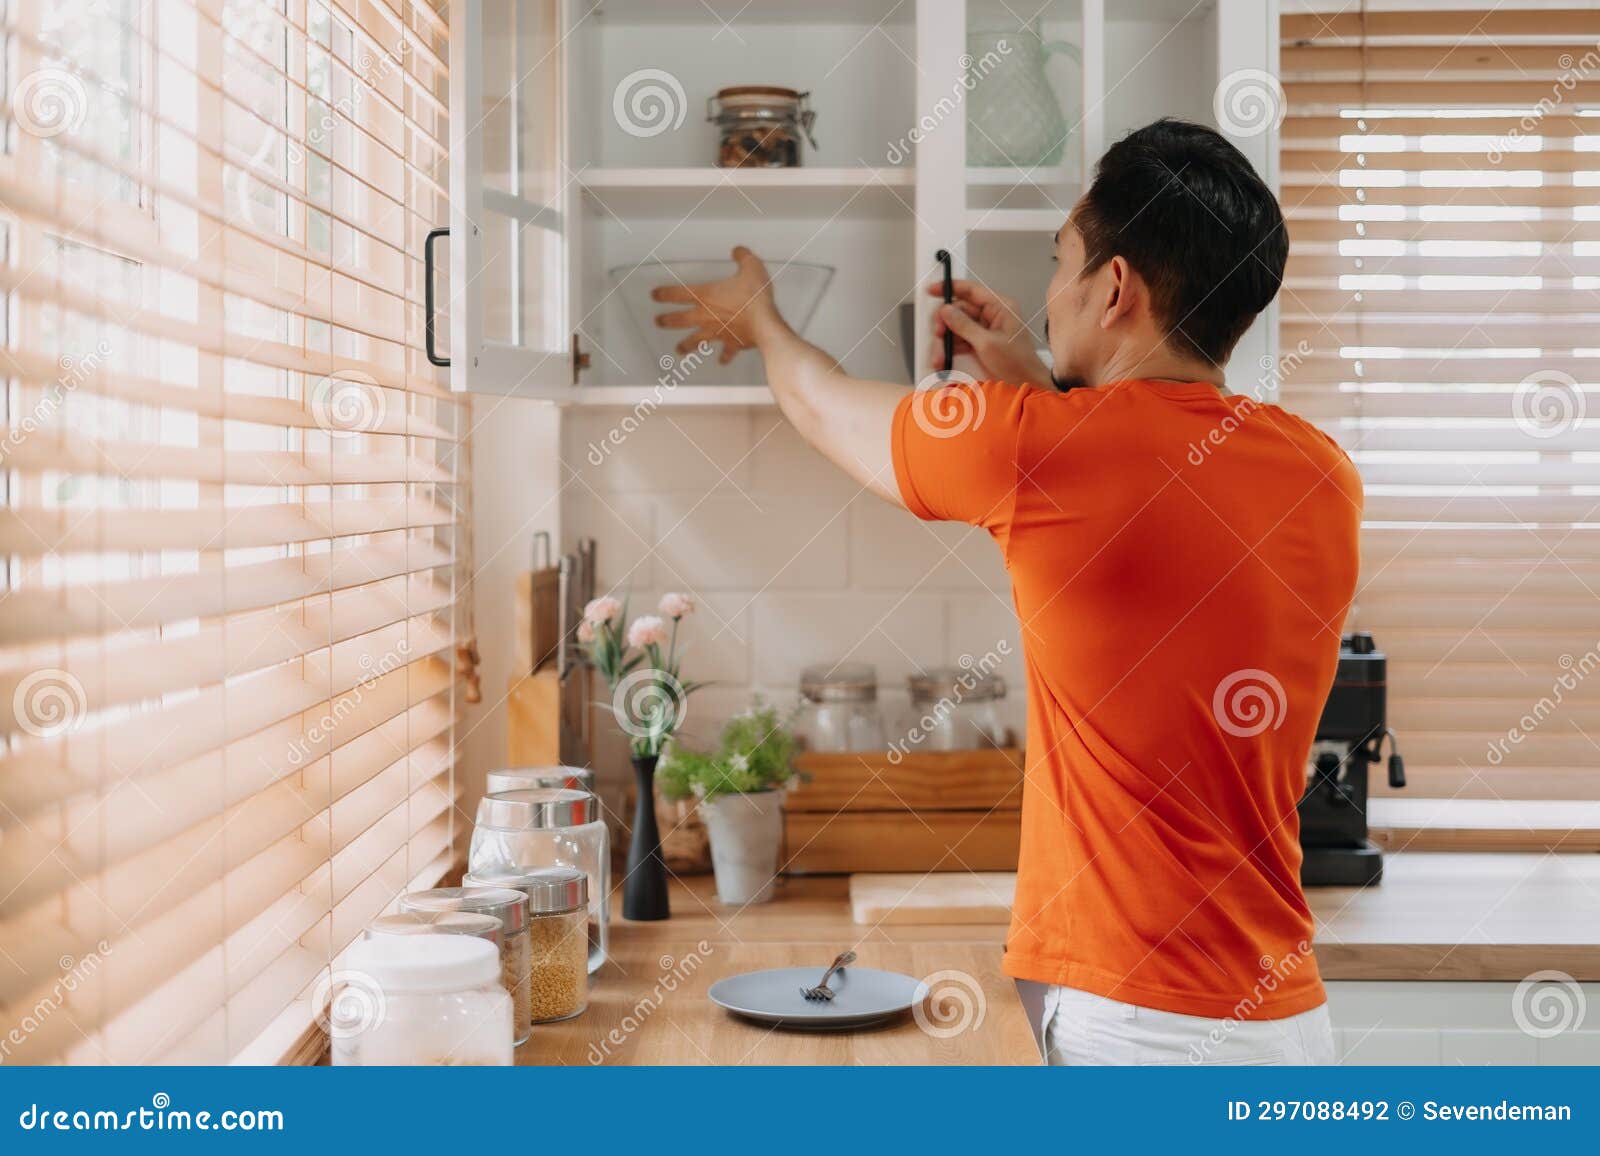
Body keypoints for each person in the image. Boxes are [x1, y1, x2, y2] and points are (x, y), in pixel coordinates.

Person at [653, 118, 1359, 1066]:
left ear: (1115, 289)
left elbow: (819, 406)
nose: (1049, 291)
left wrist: (760, 320)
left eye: (1062, 261)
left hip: (1142, 1032)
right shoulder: (1321, 472)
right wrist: (1039, 379)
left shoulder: (1034, 450)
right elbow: (1148, 480)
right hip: (1288, 1019)